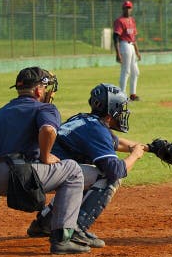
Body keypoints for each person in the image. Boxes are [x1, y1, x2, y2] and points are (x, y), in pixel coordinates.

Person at [0, 67, 90, 254]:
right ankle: (62, 238)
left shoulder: (0, 112)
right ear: (38, 90)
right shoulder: (45, 108)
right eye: (45, 88)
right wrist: (45, 156)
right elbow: (48, 130)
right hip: (9, 177)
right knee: (73, 170)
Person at [25, 83, 146, 248]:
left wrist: (148, 147)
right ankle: (77, 228)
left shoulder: (83, 119)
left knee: (84, 172)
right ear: (111, 112)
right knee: (106, 176)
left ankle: (45, 222)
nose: (123, 113)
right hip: (43, 175)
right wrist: (135, 155)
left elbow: (115, 143)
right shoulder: (97, 131)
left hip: (34, 169)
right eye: (121, 109)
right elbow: (115, 171)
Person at [113, 0, 141, 101]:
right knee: (126, 70)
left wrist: (137, 51)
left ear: (131, 9)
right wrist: (117, 53)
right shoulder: (120, 21)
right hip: (124, 45)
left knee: (136, 72)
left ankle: (133, 95)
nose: (127, 9)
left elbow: (134, 37)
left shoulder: (132, 20)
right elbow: (115, 37)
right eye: (126, 7)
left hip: (132, 45)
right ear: (123, 9)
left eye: (129, 7)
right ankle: (122, 96)